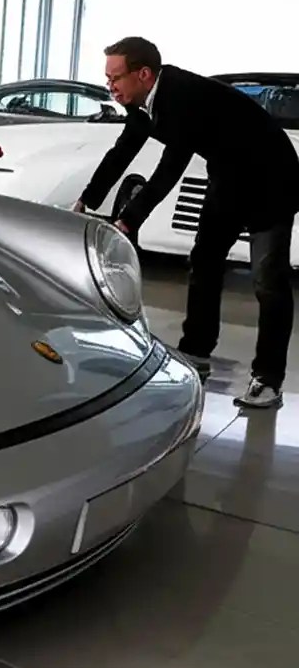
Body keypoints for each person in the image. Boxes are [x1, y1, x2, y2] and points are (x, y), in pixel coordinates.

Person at [71, 36, 298, 408]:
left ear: (143, 74)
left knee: (267, 280)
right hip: (227, 175)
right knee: (205, 260)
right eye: (107, 79)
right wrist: (86, 200)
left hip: (272, 176)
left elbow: (169, 168)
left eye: (115, 78)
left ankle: (268, 380)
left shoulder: (181, 97)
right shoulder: (143, 104)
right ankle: (196, 354)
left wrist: (129, 219)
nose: (110, 86)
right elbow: (123, 151)